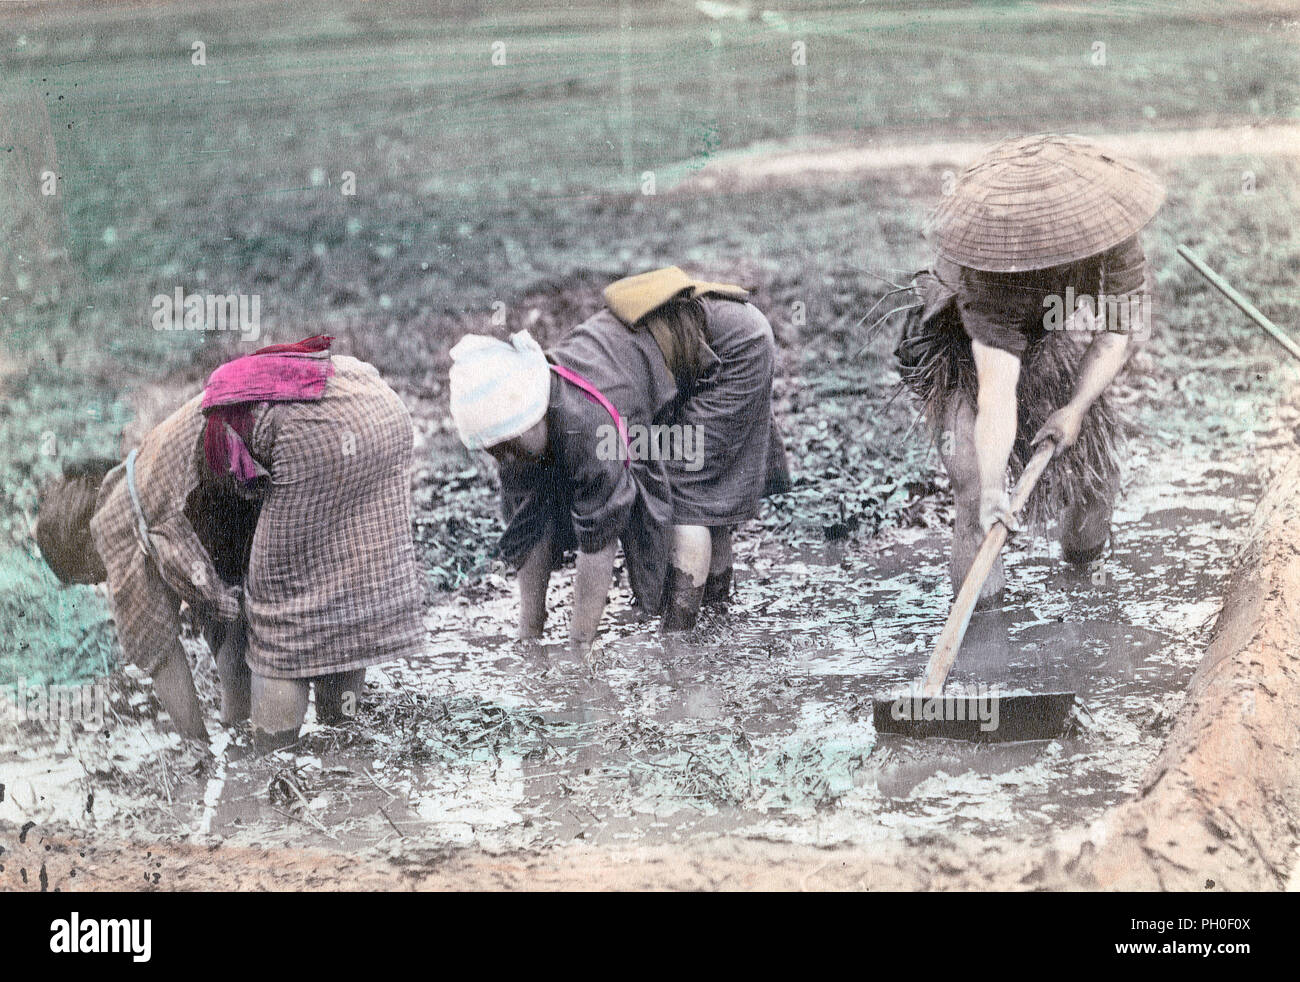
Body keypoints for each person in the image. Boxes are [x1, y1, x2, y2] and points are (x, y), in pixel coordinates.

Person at [36, 336, 425, 751]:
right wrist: (234, 726)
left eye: (92, 579)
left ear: (85, 544)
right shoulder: (167, 492)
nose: (106, 585)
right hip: (373, 403)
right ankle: (342, 739)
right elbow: (232, 637)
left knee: (282, 625)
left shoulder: (113, 522)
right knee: (337, 598)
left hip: (310, 430)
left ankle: (274, 768)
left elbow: (157, 653)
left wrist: (199, 749)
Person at [448, 267, 789, 651]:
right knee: (696, 487)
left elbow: (599, 540)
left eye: (510, 445)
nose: (506, 458)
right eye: (496, 452)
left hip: (732, 348)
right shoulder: (526, 427)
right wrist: (529, 634)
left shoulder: (585, 425)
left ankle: (681, 642)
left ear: (535, 410)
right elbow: (530, 527)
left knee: (690, 498)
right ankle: (716, 609)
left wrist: (580, 646)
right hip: (681, 350)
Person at [896, 134, 1163, 607]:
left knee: (1093, 470)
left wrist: (1076, 408)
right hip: (956, 345)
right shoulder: (990, 276)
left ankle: (1086, 588)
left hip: (1044, 336)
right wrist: (998, 486)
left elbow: (1117, 334)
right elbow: (996, 393)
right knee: (974, 488)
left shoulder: (1111, 228)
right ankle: (986, 629)